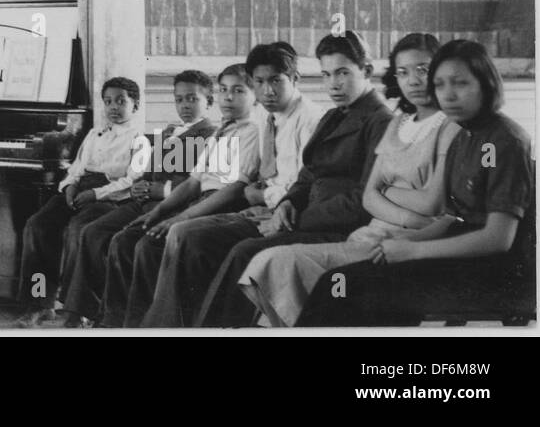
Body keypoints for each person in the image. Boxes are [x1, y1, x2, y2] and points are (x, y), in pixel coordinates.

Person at [296, 39, 534, 326]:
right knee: (337, 283)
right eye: (440, 84)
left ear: (486, 83)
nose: (448, 95)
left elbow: (497, 239)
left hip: (492, 274)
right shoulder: (466, 134)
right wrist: (406, 240)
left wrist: (414, 250)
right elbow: (455, 215)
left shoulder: (504, 140)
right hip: (457, 257)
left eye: (460, 83)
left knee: (346, 288)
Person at [240, 33, 457, 325]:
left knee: (270, 259)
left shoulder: (450, 128)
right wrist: (289, 202)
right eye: (403, 72)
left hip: (395, 239)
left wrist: (393, 205)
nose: (413, 81)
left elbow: (441, 209)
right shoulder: (399, 125)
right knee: (266, 261)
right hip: (369, 232)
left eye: (423, 70)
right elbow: (368, 194)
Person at [188, 30, 393, 327]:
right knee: (213, 242)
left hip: (340, 228)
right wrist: (287, 203)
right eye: (326, 75)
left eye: (343, 73)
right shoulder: (334, 116)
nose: (333, 84)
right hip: (303, 217)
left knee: (244, 251)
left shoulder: (379, 121)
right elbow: (307, 174)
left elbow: (364, 200)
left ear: (367, 71)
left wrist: (299, 218)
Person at [135, 41, 324, 326]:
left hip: (283, 213)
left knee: (189, 235)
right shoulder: (268, 117)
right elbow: (210, 180)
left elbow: (302, 186)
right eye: (260, 82)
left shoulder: (307, 120)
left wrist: (262, 195)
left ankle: (180, 327)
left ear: (295, 79)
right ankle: (164, 326)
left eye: (276, 81)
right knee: (176, 235)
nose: (268, 90)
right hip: (260, 205)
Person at [100, 62, 262, 327]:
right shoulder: (222, 132)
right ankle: (122, 323)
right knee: (127, 238)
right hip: (199, 201)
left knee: (150, 245)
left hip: (224, 206)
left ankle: (158, 326)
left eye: (238, 91)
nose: (228, 97)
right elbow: (193, 183)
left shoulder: (252, 131)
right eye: (224, 90)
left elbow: (233, 190)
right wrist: (159, 212)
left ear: (255, 94)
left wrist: (178, 219)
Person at [60, 70, 216, 326]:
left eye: (192, 99)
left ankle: (117, 319)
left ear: (208, 102)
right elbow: (150, 171)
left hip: (172, 205)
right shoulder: (170, 132)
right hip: (143, 201)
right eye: (179, 100)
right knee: (92, 232)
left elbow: (198, 183)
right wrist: (140, 186)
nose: (184, 105)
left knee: (121, 242)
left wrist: (161, 190)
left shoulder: (209, 134)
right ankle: (82, 311)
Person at [16, 76, 150, 328]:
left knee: (78, 232)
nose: (114, 107)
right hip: (78, 191)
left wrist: (96, 194)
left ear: (135, 105)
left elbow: (132, 182)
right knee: (37, 226)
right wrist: (70, 187)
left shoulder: (139, 141)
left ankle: (75, 309)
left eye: (121, 101)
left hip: (109, 198)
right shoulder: (94, 133)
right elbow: (76, 168)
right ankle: (39, 302)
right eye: (108, 101)